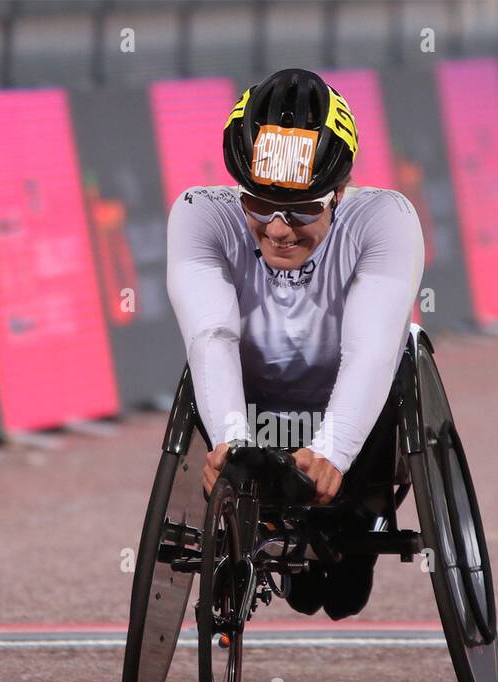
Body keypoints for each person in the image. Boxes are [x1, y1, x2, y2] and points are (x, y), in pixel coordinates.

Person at [166, 67, 425, 620]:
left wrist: (332, 453)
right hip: (254, 418)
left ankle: (353, 528)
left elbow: (373, 348)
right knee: (311, 597)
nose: (280, 229)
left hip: (355, 431)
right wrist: (231, 446)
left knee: (338, 599)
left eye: (305, 210)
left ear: (340, 193)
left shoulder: (386, 219)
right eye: (260, 204)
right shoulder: (198, 215)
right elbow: (211, 335)